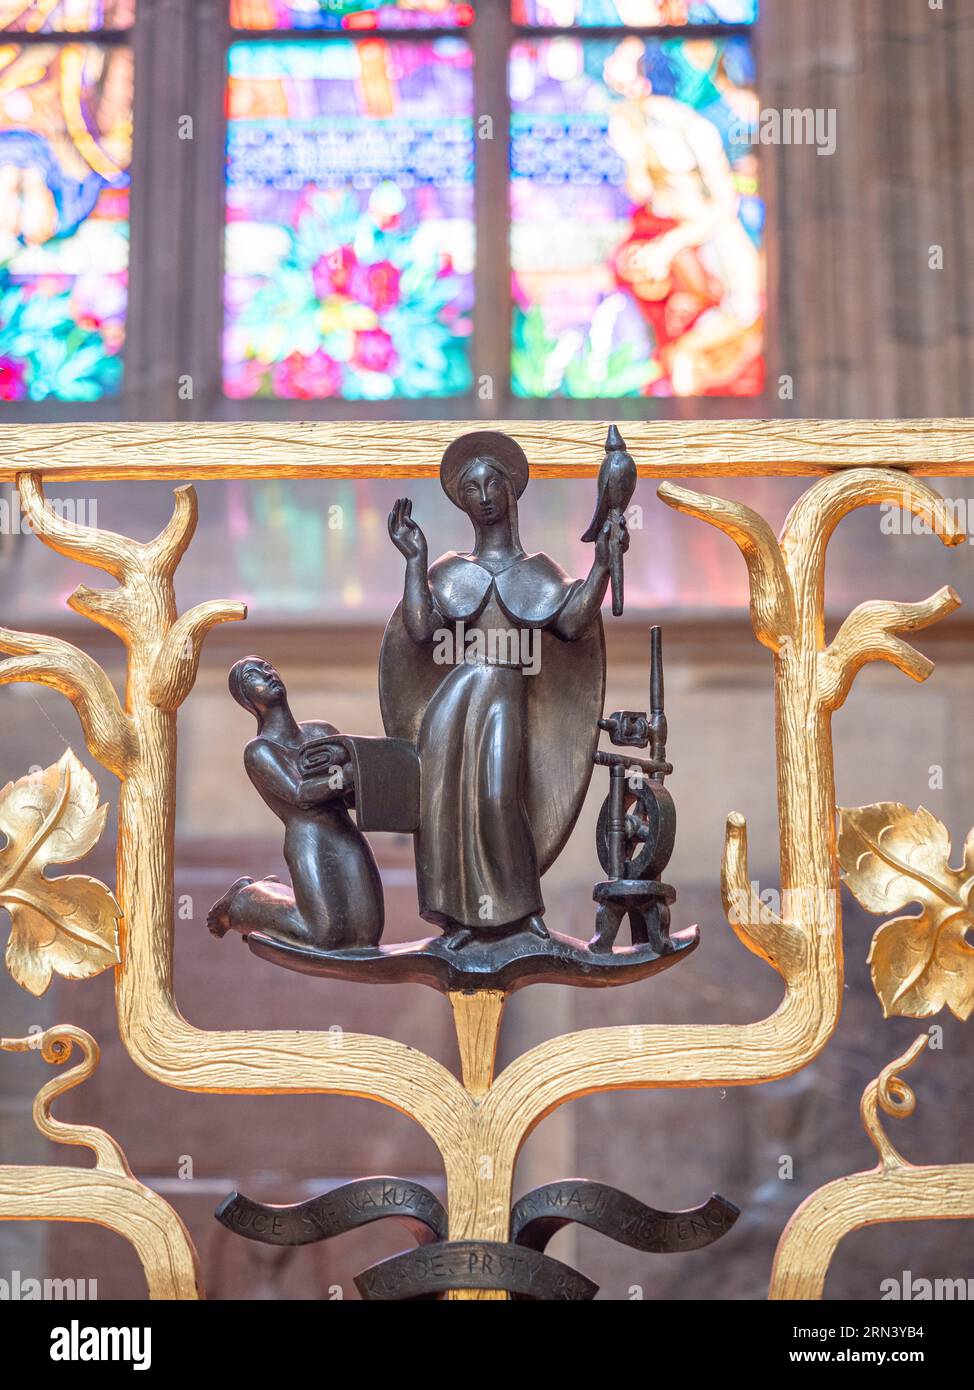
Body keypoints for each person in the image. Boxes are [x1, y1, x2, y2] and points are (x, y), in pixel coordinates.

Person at [386, 430, 624, 949]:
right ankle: (460, 920)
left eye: (495, 482)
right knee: (446, 806)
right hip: (454, 700)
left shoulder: (538, 571)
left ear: (513, 490)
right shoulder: (452, 570)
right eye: (472, 488)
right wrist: (414, 558)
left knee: (497, 796)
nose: (486, 495)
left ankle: (522, 912)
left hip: (504, 692)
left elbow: (571, 624)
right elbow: (422, 630)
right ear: (462, 501)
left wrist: (603, 563)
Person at [206, 657, 383, 950]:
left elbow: (350, 796)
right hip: (310, 840)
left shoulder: (321, 732)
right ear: (247, 700)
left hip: (345, 834)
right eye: (254, 676)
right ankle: (246, 900)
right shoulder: (260, 751)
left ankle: (271, 894)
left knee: (366, 936)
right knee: (323, 935)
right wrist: (351, 774)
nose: (268, 674)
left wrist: (370, 773)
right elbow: (300, 794)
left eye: (268, 668)